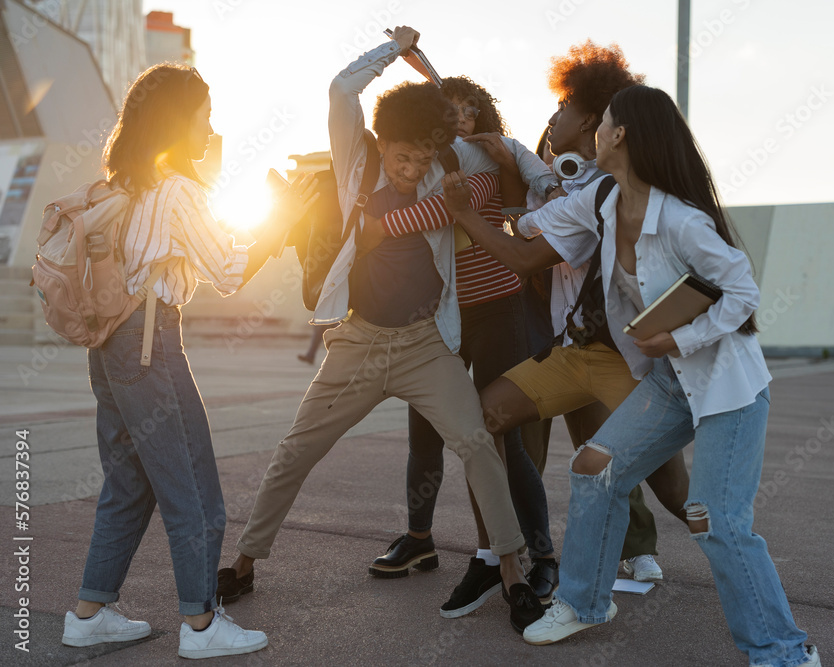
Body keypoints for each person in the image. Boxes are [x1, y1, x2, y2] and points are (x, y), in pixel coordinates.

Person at [216, 27, 556, 633]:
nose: (412, 170)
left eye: (423, 159)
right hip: (362, 342)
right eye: (404, 157)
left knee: (478, 444)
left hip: (425, 342)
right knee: (297, 451)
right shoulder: (358, 157)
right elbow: (341, 88)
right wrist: (395, 52)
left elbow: (509, 149)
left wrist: (539, 177)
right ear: (384, 143)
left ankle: (513, 575)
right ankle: (243, 563)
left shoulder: (446, 162)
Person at [488, 84, 820, 665]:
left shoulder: (684, 220)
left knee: (716, 520)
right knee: (595, 465)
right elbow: (534, 225)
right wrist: (491, 187)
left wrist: (681, 337)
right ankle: (585, 602)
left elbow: (742, 292)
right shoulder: (603, 202)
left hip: (726, 385)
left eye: (604, 121)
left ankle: (785, 651)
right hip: (670, 380)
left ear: (620, 135)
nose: (595, 129)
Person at [61, 64, 318, 660]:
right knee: (196, 491)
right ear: (180, 124)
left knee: (128, 483)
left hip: (111, 346)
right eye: (204, 118)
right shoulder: (178, 189)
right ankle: (201, 625)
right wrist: (285, 217)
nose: (210, 130)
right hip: (151, 343)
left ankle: (89, 614)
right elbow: (228, 273)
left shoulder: (123, 184)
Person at [444, 42, 691, 585]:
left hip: (615, 355)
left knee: (669, 483)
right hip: (562, 346)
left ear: (592, 123)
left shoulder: (603, 188)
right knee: (488, 420)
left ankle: (729, 545)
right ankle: (509, 559)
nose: (553, 117)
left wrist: (463, 211)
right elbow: (522, 229)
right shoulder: (566, 177)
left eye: (563, 109)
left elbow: (525, 253)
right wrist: (515, 170)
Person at [364, 75, 559, 617]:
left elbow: (447, 211)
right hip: (443, 315)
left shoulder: (487, 163)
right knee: (423, 431)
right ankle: (419, 538)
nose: (462, 118)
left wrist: (379, 225)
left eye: (471, 109)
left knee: (502, 437)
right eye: (451, 112)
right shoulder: (424, 165)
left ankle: (538, 554)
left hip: (499, 311)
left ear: (484, 117)